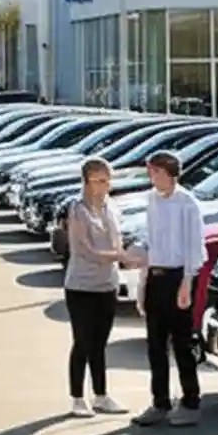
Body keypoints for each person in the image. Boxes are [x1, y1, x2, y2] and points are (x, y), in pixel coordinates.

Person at [129, 150, 207, 428]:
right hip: (156, 276)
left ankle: (190, 401)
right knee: (155, 344)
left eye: (155, 172)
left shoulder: (187, 203)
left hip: (178, 277)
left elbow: (195, 247)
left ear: (168, 173)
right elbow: (151, 241)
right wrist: (143, 282)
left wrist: (187, 283)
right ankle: (160, 402)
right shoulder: (151, 200)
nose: (151, 177)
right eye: (150, 172)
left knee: (182, 343)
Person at [63, 156, 129, 418]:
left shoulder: (111, 207)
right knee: (83, 341)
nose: (103, 186)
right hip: (81, 285)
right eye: (98, 181)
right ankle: (77, 398)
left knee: (100, 343)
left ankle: (101, 395)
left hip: (107, 284)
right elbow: (85, 250)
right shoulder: (78, 210)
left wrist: (126, 256)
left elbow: (118, 241)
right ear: (86, 182)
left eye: (107, 181)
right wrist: (120, 257)